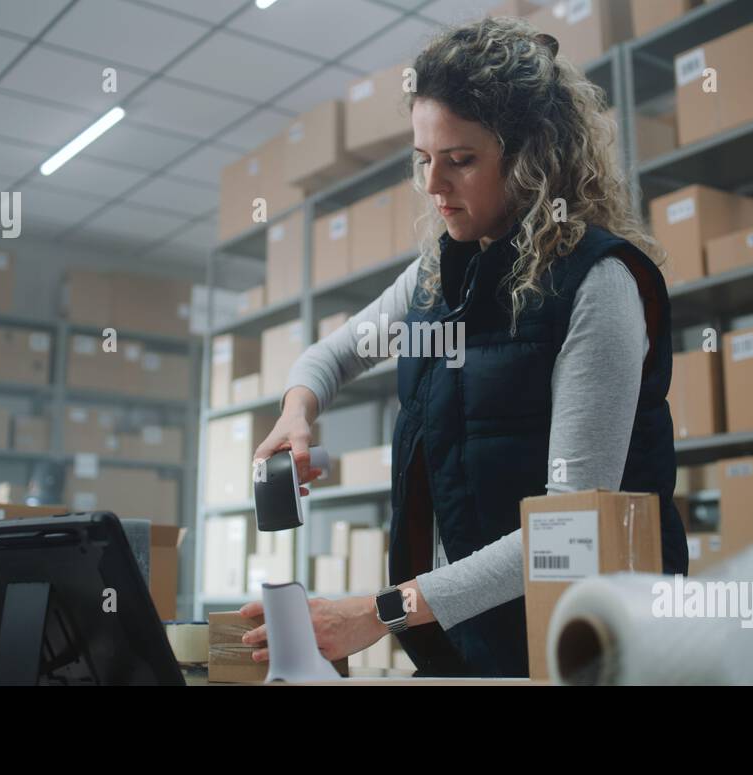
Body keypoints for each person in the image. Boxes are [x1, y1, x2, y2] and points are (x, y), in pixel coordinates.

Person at [238, 15, 686, 678]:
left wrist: (376, 613)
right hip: (467, 649)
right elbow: (328, 357)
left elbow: (570, 531)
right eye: (423, 161)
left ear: (534, 156)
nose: (433, 186)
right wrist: (297, 411)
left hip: (589, 651)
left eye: (461, 160)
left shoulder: (598, 283)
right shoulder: (431, 281)